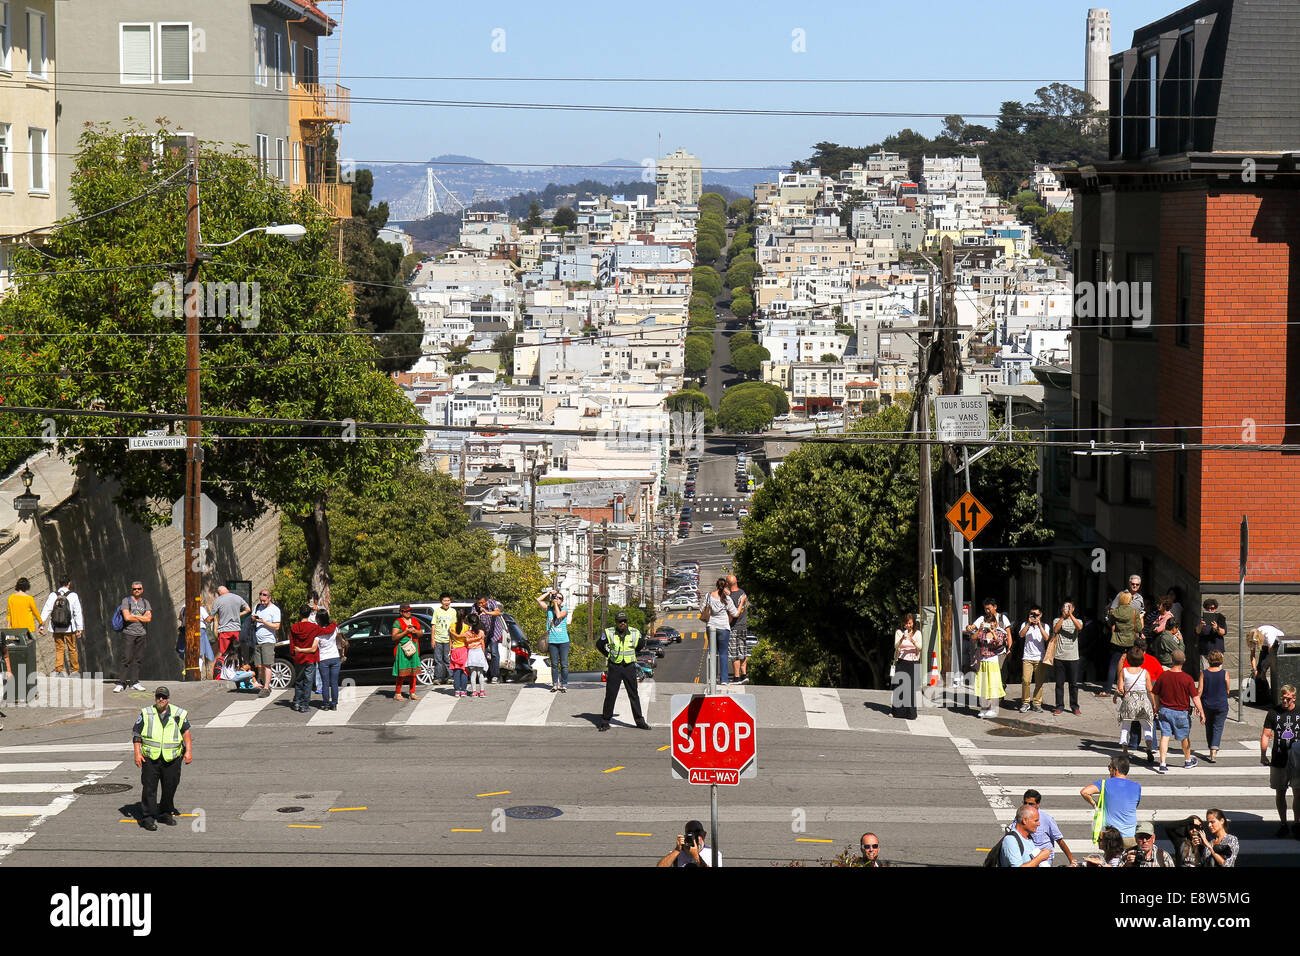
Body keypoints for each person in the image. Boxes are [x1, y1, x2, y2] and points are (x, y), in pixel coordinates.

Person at [131, 686, 192, 831]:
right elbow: (137, 735)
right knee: (149, 788)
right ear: (155, 698)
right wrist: (137, 753)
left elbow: (186, 733)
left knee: (170, 787)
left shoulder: (178, 713)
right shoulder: (146, 713)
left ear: (168, 699)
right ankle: (148, 818)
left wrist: (188, 751)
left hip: (172, 758)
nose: (161, 699)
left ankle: (165, 813)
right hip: (150, 758)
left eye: (163, 697)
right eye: (158, 696)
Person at [1152, 649, 1204, 775]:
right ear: (1184, 661)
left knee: (1165, 736)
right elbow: (1195, 697)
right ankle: (1187, 760)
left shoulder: (1163, 676)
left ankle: (1162, 764)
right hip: (1181, 712)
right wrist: (1201, 711)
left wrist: (1156, 706)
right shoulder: (1187, 678)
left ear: (1171, 660)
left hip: (1165, 711)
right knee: (1184, 737)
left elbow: (1155, 693)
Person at [596, 611, 651, 732]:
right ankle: (605, 721)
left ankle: (640, 721)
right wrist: (608, 654)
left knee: (633, 694)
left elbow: (641, 644)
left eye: (625, 621)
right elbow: (599, 644)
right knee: (610, 695)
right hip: (614, 667)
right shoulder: (609, 632)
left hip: (629, 667)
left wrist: (633, 653)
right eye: (620, 621)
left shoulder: (635, 633)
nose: (623, 623)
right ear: (616, 622)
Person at [1260, 683, 1299, 837]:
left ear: (1293, 698)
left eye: (1287, 699)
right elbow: (1265, 734)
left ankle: (1297, 823)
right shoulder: (1273, 713)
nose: (1284, 701)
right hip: (1278, 758)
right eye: (1282, 698)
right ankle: (1283, 823)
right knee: (1280, 792)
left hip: (1297, 760)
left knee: (1298, 792)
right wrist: (1263, 754)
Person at [1081, 755, 1142, 848]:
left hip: (1112, 837)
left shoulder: (1105, 784)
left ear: (1115, 769)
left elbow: (1084, 792)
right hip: (1131, 835)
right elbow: (1135, 805)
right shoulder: (1137, 786)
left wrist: (1095, 804)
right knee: (1130, 860)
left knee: (1111, 861)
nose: (1109, 770)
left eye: (1109, 767)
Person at [965, 598, 1009, 718]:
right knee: (983, 685)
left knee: (993, 685)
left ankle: (994, 708)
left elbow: (998, 643)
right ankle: (984, 707)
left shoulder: (999, 632)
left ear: (996, 623)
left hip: (993, 661)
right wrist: (980, 629)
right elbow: (973, 638)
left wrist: (993, 631)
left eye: (992, 622)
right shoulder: (982, 632)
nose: (990, 624)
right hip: (983, 661)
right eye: (988, 622)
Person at [1115, 647, 1156, 762]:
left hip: (1129, 701)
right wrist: (1154, 704)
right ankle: (1148, 747)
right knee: (1147, 727)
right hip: (1143, 702)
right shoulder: (1145, 672)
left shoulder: (1124, 671)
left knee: (1125, 727)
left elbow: (1120, 688)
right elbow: (1150, 690)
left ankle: (1124, 750)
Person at [1102, 591, 1142, 698]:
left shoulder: (1115, 612)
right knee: (1131, 664)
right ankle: (1128, 688)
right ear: (1129, 600)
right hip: (1131, 641)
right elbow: (1138, 628)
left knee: (1113, 664)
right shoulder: (1134, 612)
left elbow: (1110, 623)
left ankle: (1107, 690)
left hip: (1118, 640)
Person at [41, 575, 83, 676]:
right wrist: (79, 628)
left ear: (59, 584)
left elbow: (47, 609)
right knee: (72, 649)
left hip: (56, 627)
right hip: (70, 627)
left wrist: (41, 624)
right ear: (69, 584)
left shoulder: (53, 595)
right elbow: (77, 612)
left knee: (59, 648)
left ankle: (59, 669)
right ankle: (74, 670)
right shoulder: (73, 595)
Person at [115, 581, 152, 694]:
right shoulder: (126, 601)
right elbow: (126, 617)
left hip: (141, 634)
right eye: (134, 589)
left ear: (142, 590)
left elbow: (149, 619)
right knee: (127, 658)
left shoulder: (145, 602)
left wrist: (134, 616)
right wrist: (141, 617)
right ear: (132, 590)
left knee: (138, 659)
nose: (137, 590)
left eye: (139, 588)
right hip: (129, 633)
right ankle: (121, 683)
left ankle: (134, 682)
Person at [1022, 789, 1076, 867]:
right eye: (1025, 803)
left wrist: (1071, 860)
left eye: (1031, 804)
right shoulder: (1020, 817)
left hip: (1043, 861)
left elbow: (1059, 840)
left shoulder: (1047, 819)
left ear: (1038, 804)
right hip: (1026, 858)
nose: (1027, 806)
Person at [700, 579, 736, 685]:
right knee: (723, 653)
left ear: (716, 585)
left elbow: (701, 609)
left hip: (711, 626)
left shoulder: (708, 596)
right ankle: (724, 679)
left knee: (712, 652)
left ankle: (712, 678)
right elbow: (733, 612)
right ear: (725, 586)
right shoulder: (727, 599)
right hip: (724, 627)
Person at [1050, 600, 1083, 715]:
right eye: (1065, 607)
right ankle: (1059, 706)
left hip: (1073, 657)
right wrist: (1063, 617)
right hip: (1059, 656)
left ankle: (1075, 706)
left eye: (1069, 607)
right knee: (1059, 684)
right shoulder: (1057, 620)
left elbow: (1079, 627)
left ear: (1073, 608)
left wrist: (1071, 616)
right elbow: (1055, 630)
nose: (1067, 609)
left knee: (1073, 684)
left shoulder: (1077, 620)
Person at [1198, 650, 1231, 763]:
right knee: (1218, 727)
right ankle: (1214, 749)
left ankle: (1211, 745)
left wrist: (1198, 706)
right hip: (1221, 704)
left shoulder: (1204, 673)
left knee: (1209, 726)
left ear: (1209, 660)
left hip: (1207, 704)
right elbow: (1228, 689)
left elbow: (1200, 690)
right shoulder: (1225, 673)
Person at [211, 585, 250, 677]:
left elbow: (211, 616)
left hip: (224, 630)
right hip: (236, 629)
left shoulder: (218, 600)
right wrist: (238, 614)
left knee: (224, 653)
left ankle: (225, 673)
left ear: (219, 593)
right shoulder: (237, 597)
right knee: (237, 652)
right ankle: (238, 672)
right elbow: (248, 609)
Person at [288, 605, 322, 713]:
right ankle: (305, 704)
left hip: (299, 657)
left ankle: (297, 701)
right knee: (308, 682)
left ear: (300, 613)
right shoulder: (314, 627)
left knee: (299, 680)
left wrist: (294, 654)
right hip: (310, 657)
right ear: (309, 614)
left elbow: (292, 643)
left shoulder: (294, 627)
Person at [1018, 605, 1050, 713]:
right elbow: (1021, 635)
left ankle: (1037, 703)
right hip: (1027, 657)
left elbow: (1046, 638)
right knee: (1026, 681)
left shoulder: (1045, 626)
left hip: (1040, 658)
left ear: (1040, 615)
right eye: (1032, 614)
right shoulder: (1025, 624)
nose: (1034, 616)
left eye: (1036, 614)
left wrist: (1039, 625)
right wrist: (1029, 623)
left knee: (1039, 682)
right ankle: (1025, 702)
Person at [537, 590, 570, 693]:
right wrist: (548, 593)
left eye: (560, 598)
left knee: (564, 664)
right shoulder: (549, 610)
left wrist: (555, 603)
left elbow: (559, 615)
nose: (558, 599)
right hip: (552, 641)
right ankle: (555, 684)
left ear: (562, 601)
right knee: (554, 664)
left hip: (563, 641)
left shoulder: (564, 609)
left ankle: (564, 684)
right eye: (556, 597)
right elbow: (539, 600)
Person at [250, 589, 280, 698]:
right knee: (260, 665)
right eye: (261, 601)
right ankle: (264, 685)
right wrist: (254, 618)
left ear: (269, 598)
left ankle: (266, 687)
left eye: (264, 601)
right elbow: (253, 617)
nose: (262, 603)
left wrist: (264, 622)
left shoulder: (275, 610)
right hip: (257, 639)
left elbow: (277, 626)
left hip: (268, 640)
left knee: (267, 664)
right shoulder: (258, 607)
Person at [892, 611, 921, 720]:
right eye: (906, 624)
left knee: (911, 687)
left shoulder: (917, 633)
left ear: (913, 623)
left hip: (913, 662)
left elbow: (920, 647)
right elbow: (896, 646)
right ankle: (898, 712)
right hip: (901, 661)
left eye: (909, 623)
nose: (908, 626)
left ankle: (911, 713)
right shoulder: (899, 632)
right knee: (899, 686)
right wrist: (902, 639)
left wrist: (912, 641)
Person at [391, 603, 423, 702]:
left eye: (409, 611)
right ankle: (398, 693)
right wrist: (405, 632)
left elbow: (421, 633)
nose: (408, 612)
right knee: (402, 672)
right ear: (401, 612)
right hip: (403, 649)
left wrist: (415, 631)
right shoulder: (397, 622)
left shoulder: (414, 620)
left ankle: (412, 693)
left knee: (413, 672)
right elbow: (394, 637)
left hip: (413, 648)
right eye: (406, 611)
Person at [1249, 625, 1285, 703]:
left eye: (1256, 642)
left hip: (1277, 641)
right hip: (1265, 644)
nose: (1254, 644)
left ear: (1259, 639)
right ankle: (1264, 694)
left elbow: (1271, 656)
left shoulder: (1269, 636)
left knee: (1263, 669)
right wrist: (1254, 670)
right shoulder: (1252, 638)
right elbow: (1252, 655)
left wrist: (1264, 671)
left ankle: (1273, 694)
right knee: (1259, 669)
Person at [6, 577, 44, 652]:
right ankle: (23, 664)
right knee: (27, 652)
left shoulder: (11, 598)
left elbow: (9, 614)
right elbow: (36, 613)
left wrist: (8, 627)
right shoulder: (29, 599)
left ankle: (20, 664)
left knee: (19, 651)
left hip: (15, 630)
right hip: (27, 631)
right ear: (27, 586)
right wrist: (41, 623)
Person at [315, 610, 342, 711]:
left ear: (318, 619)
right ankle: (334, 704)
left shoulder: (318, 632)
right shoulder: (334, 628)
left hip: (323, 658)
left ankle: (326, 704)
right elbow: (339, 641)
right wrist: (341, 653)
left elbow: (315, 646)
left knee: (325, 683)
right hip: (335, 656)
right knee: (334, 682)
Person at [475, 595, 505, 683]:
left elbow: (497, 613)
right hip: (483, 633)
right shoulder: (475, 606)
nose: (480, 605)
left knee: (494, 653)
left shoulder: (492, 603)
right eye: (478, 603)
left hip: (494, 631)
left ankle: (495, 675)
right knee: (482, 653)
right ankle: (483, 674)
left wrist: (487, 612)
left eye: (482, 603)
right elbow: (472, 617)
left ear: (486, 601)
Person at [726, 574, 749, 684]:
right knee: (742, 651)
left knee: (734, 654)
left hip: (734, 627)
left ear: (727, 584)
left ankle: (736, 677)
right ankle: (744, 675)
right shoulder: (742, 593)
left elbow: (733, 614)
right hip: (743, 626)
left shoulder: (731, 598)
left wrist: (727, 624)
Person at [1195, 598, 1227, 674]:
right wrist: (1201, 626)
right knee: (1205, 672)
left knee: (1218, 672)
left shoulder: (1220, 618)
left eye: (1212, 608)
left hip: (1218, 650)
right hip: (1205, 651)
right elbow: (1197, 631)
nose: (1210, 610)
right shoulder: (1202, 619)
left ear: (1215, 608)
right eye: (1208, 608)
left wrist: (1217, 628)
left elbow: (1224, 632)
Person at [431, 593, 456, 685]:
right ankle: (438, 678)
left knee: (448, 659)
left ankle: (450, 677)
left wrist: (453, 640)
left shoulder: (453, 611)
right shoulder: (437, 611)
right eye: (445, 600)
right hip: (438, 639)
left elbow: (454, 626)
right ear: (441, 602)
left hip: (448, 639)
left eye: (448, 600)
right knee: (438, 660)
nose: (447, 602)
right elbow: (433, 626)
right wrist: (432, 639)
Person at [449, 608, 473, 699]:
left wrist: (450, 649)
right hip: (464, 650)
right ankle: (463, 690)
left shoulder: (452, 626)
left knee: (456, 671)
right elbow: (467, 640)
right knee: (464, 671)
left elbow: (450, 639)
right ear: (465, 617)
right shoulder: (467, 627)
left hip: (455, 650)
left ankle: (457, 690)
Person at [465, 613, 489, 698]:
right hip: (479, 652)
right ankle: (482, 691)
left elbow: (467, 642)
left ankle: (474, 692)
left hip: (471, 653)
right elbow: (483, 644)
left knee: (473, 674)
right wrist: (483, 654)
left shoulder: (467, 633)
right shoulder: (481, 632)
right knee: (480, 673)